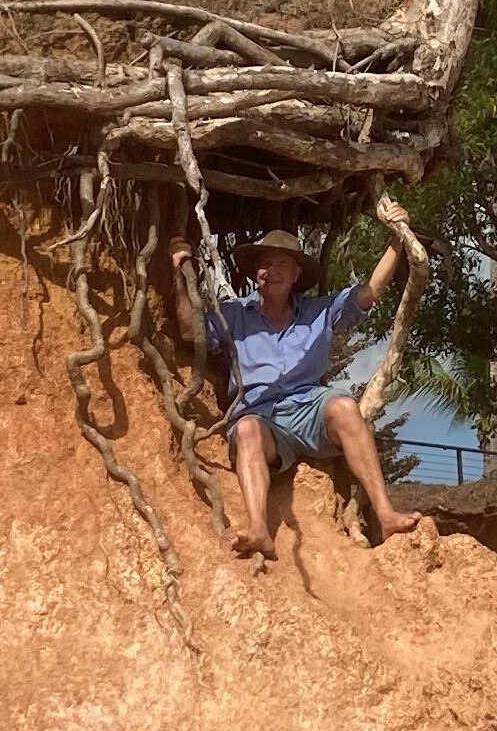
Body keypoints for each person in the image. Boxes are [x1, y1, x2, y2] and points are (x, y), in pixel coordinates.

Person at [179, 222, 434, 560]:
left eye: (281, 264)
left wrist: (398, 243)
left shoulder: (318, 311)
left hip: (309, 407)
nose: (271, 271)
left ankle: (386, 514)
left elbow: (369, 292)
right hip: (260, 413)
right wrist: (179, 272)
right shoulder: (233, 314)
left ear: (297, 273)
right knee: (246, 429)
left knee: (343, 405)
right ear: (256, 273)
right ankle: (259, 530)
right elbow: (189, 330)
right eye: (264, 264)